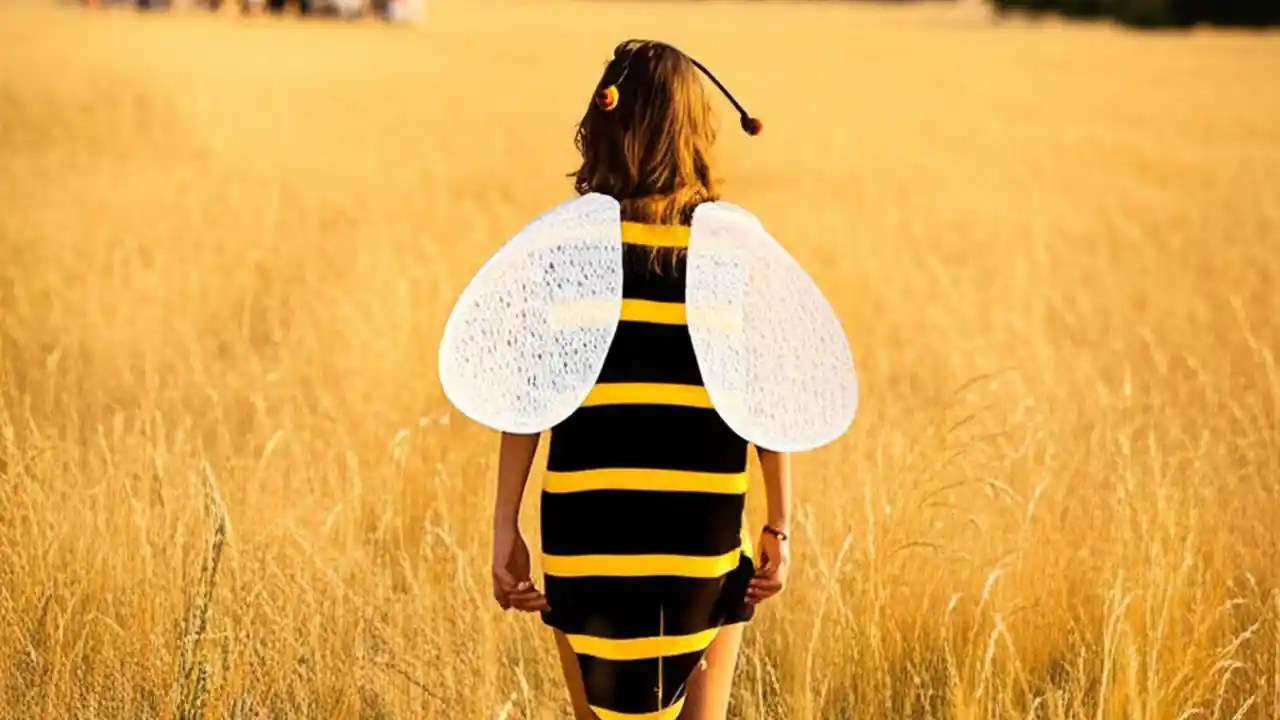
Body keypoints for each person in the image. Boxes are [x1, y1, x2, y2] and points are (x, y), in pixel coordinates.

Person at [439, 39, 857, 720]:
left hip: (586, 535)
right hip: (703, 535)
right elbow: (764, 401)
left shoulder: (567, 248)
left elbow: (529, 401)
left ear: (605, 120)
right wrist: (779, 526)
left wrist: (504, 527)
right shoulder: (730, 250)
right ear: (695, 130)